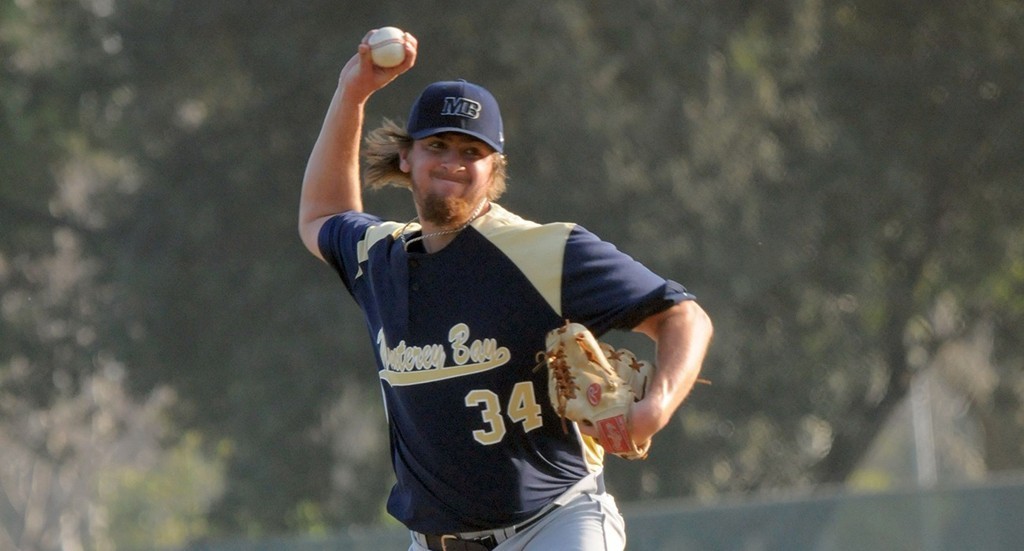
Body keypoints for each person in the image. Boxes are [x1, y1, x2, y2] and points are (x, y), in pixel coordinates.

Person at [298, 29, 713, 551]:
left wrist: (657, 406)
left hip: (554, 525)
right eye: (437, 145)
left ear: (493, 168)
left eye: (472, 150)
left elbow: (684, 316)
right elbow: (323, 216)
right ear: (407, 158)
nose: (452, 161)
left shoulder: (545, 251)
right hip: (432, 541)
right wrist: (351, 93)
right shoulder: (376, 257)